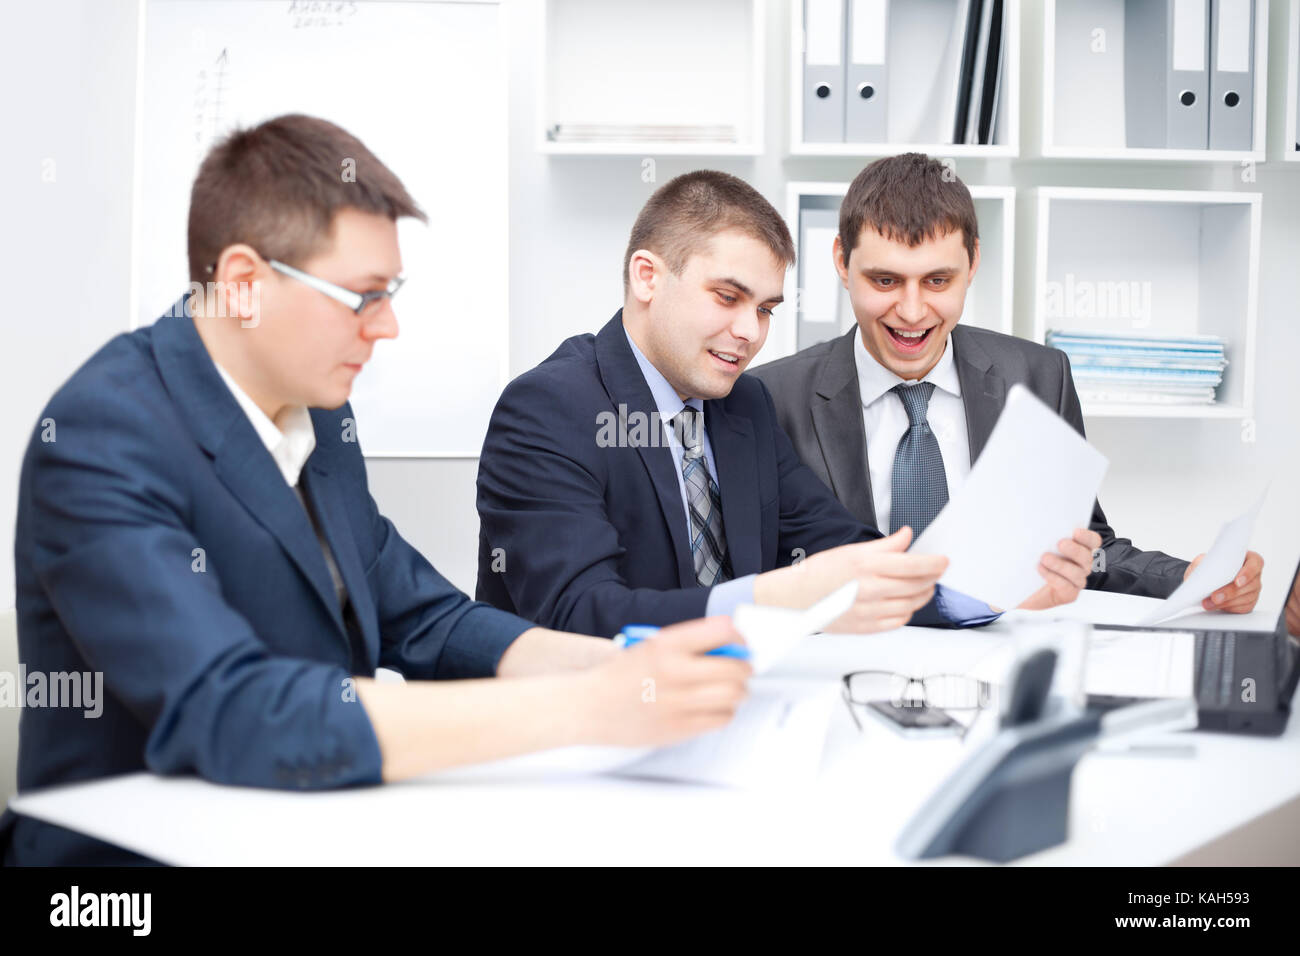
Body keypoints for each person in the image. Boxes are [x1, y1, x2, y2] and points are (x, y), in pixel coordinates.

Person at [2, 115, 751, 866]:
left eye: (389, 292)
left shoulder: (319, 409)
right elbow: (231, 709)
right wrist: (583, 708)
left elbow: (424, 619)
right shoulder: (103, 435)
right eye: (362, 296)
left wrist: (620, 665)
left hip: (310, 825)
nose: (387, 327)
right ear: (242, 284)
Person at [475, 171, 1099, 640]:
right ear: (647, 277)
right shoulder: (548, 409)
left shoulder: (739, 404)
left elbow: (841, 546)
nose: (751, 331)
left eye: (767, 308)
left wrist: (995, 589)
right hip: (578, 741)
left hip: (729, 715)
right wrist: (784, 598)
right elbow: (581, 616)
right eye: (728, 296)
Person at [750, 153, 1263, 610]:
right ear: (842, 261)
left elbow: (1085, 548)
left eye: (937, 280)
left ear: (972, 262)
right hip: (842, 663)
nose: (910, 311)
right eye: (885, 280)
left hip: (1000, 655)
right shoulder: (770, 398)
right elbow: (761, 577)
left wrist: (1191, 580)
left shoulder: (1039, 377)